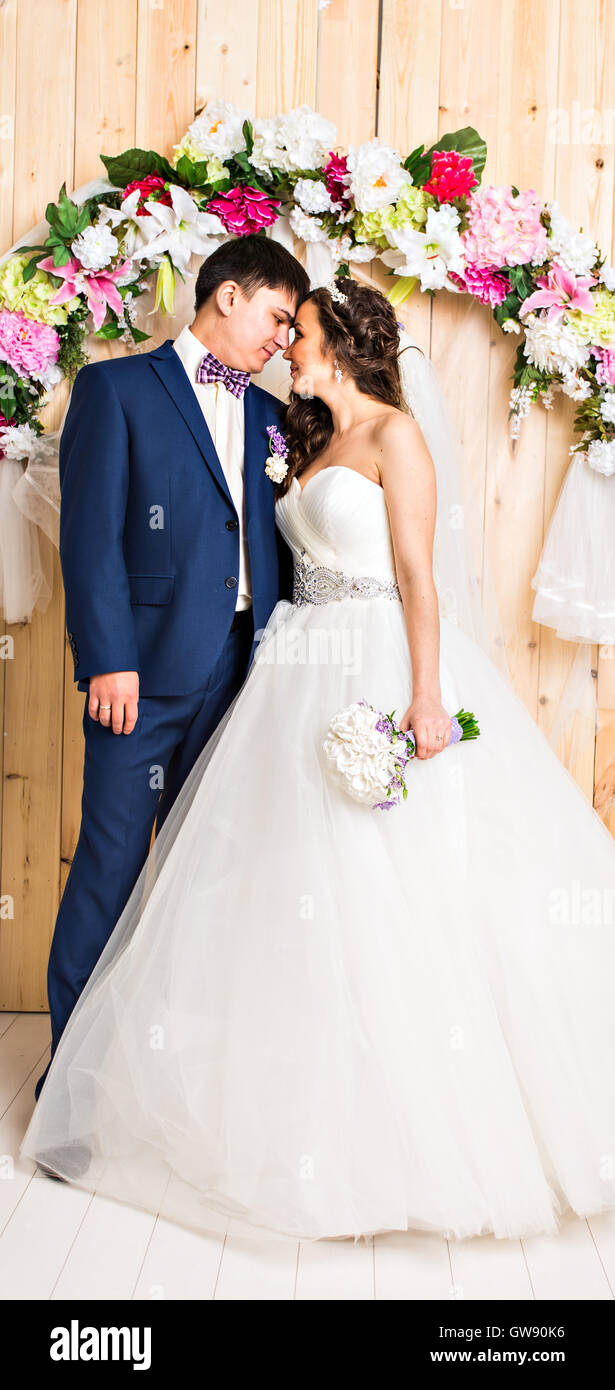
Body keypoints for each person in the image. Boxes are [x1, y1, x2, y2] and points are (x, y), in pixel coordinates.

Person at [21, 276, 615, 1247]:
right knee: (243, 886)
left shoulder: (394, 437)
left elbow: (420, 576)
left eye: (296, 334)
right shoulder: (294, 433)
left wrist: (425, 695)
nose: (282, 346)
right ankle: (104, 1092)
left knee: (385, 892)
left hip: (374, 667)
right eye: (277, 324)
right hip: (287, 676)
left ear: (334, 343)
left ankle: (392, 1131)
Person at [33, 236, 310, 1102]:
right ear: (227, 296)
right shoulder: (115, 389)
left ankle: (178, 1082)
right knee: (110, 867)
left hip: (242, 677)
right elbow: (89, 540)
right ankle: (70, 1091)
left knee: (211, 876)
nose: (282, 341)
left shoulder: (272, 414)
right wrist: (107, 662)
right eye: (276, 318)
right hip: (141, 677)